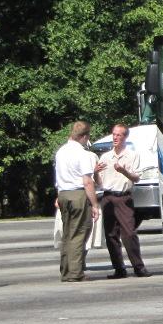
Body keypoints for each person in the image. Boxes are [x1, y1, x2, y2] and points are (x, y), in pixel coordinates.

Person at [99, 123, 150, 277]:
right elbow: (99, 181)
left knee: (129, 233)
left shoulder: (132, 155)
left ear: (125, 137)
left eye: (119, 135)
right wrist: (94, 173)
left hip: (123, 197)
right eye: (114, 134)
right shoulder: (105, 156)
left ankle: (138, 267)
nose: (115, 137)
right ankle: (119, 268)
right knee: (110, 234)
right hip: (108, 196)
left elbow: (136, 178)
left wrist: (123, 171)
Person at [54, 120, 101, 282]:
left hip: (63, 194)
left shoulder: (61, 152)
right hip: (77, 195)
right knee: (79, 233)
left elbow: (58, 177)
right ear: (85, 136)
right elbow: (87, 181)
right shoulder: (82, 154)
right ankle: (75, 272)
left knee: (67, 233)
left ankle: (66, 270)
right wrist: (95, 204)